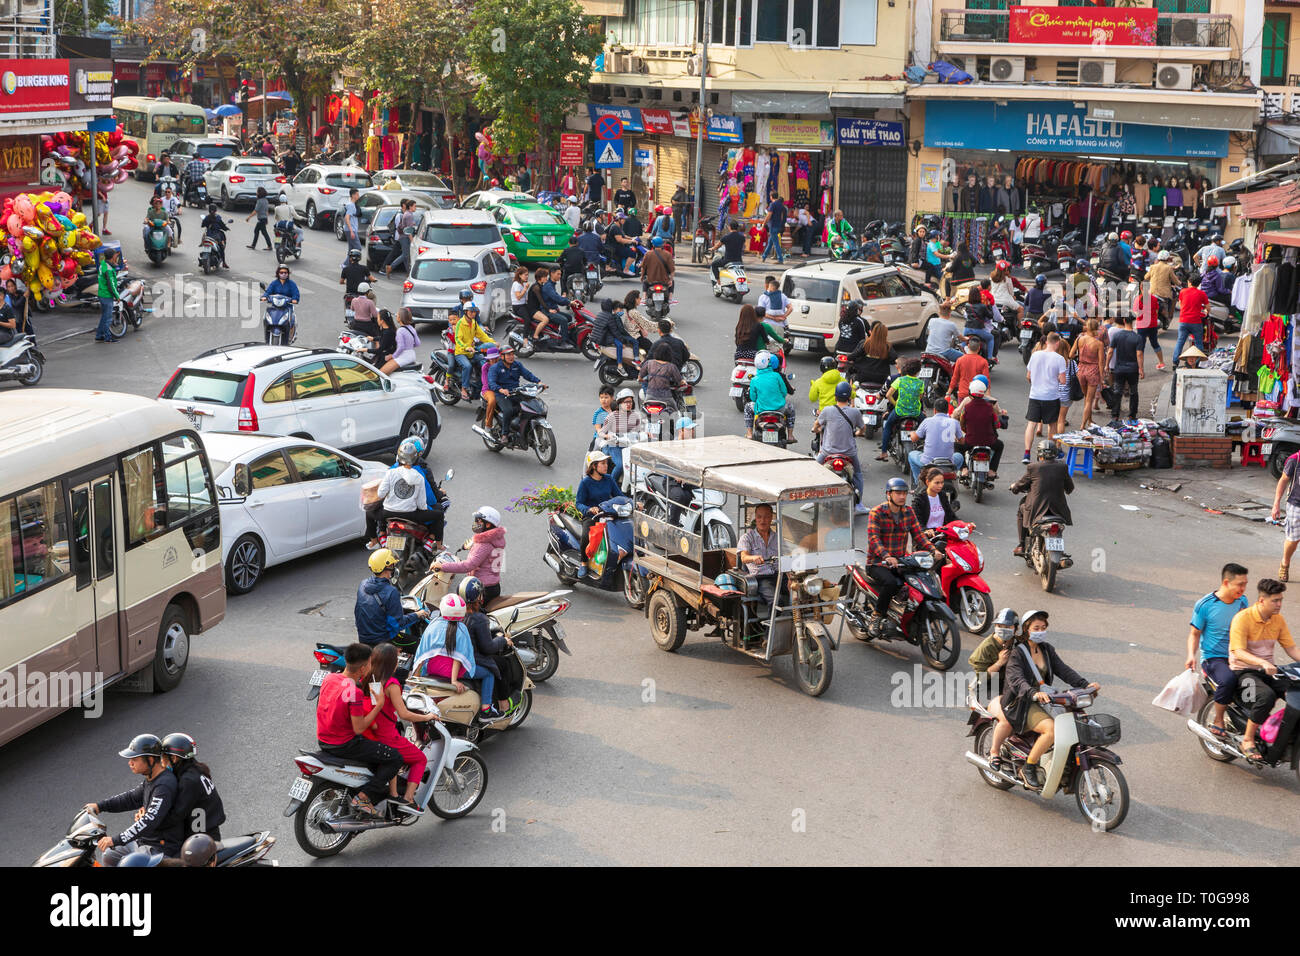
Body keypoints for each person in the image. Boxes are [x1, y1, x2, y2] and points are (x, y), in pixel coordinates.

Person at [1001, 609, 1098, 788]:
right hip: (1022, 702)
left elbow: (1063, 669)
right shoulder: (1017, 653)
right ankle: (1029, 767)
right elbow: (1016, 680)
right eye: (1036, 628)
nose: (1040, 631)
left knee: (1075, 720)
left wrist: (1085, 685)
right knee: (1051, 730)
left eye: (1043, 628)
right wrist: (1032, 692)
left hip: (1046, 699)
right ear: (1026, 629)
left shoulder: (1046, 649)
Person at [313, 642, 404, 818]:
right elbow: (359, 727)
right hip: (345, 744)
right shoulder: (353, 692)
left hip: (324, 740)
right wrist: (378, 706)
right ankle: (364, 797)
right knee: (395, 758)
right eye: (370, 663)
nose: (372, 666)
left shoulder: (330, 679)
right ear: (363, 668)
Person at [1230, 579, 1300, 763]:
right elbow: (1238, 652)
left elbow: (1291, 648)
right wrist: (1261, 662)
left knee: (1296, 693)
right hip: (1244, 672)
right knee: (1266, 697)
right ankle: (1248, 739)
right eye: (1275, 601)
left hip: (1269, 671)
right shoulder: (1242, 618)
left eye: (1281, 600)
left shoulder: (1278, 619)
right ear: (1261, 600)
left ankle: (1287, 734)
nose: (1279, 605)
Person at [362, 642, 439, 810]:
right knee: (420, 759)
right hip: (387, 735)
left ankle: (393, 793)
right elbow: (403, 714)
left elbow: (376, 706)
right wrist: (427, 716)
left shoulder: (369, 678)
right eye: (396, 659)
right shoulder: (392, 684)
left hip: (371, 732)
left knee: (393, 759)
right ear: (392, 663)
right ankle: (408, 798)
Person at [86, 734, 184, 865]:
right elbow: (130, 798)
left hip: (159, 847)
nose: (130, 762)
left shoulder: (164, 785)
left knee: (127, 864)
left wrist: (116, 840)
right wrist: (99, 806)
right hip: (144, 841)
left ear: (150, 759)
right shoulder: (151, 780)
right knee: (109, 855)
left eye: (135, 759)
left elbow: (148, 821)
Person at [863, 476, 940, 633]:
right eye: (898, 493)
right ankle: (876, 616)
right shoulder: (876, 513)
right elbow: (873, 539)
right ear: (888, 494)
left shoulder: (908, 512)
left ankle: (906, 614)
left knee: (920, 578)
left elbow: (919, 535)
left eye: (904, 493)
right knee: (891, 583)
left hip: (900, 561)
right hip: (878, 562)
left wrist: (933, 550)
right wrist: (886, 556)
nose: (902, 496)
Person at [1186, 563, 1251, 740]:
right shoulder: (1205, 604)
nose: (1243, 588)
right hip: (1214, 658)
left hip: (1238, 654)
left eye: (1245, 584)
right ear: (1226, 582)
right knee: (1228, 679)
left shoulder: (1242, 601)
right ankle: (1218, 720)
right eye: (1240, 584)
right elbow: (1194, 633)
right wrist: (1191, 655)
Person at [362, 442, 443, 551]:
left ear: (398, 458)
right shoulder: (419, 477)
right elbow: (421, 504)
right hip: (411, 515)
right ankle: (437, 545)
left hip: (388, 514)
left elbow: (380, 494)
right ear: (415, 459)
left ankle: (374, 542)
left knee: (369, 512)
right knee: (439, 515)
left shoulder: (390, 473)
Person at [457, 577, 518, 719]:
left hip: (455, 658)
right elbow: (488, 648)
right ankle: (502, 705)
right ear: (478, 597)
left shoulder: (456, 614)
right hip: (470, 660)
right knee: (502, 664)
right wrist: (502, 640)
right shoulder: (478, 618)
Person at [969, 608, 1020, 766]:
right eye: (1000, 626)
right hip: (989, 686)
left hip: (1011, 684)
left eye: (1008, 627)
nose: (1003, 630)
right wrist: (999, 663)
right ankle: (995, 751)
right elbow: (982, 677)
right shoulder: (987, 647)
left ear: (1015, 628)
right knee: (1007, 717)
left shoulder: (1017, 642)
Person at [354, 546, 433, 644]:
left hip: (363, 638)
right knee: (419, 644)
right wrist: (417, 614)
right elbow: (398, 624)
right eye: (392, 564)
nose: (394, 567)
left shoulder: (363, 584)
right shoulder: (391, 592)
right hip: (383, 640)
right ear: (388, 567)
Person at [431, 507, 508, 605]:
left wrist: (443, 566)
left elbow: (468, 566)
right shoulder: (496, 539)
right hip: (493, 585)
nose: (475, 523)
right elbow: (486, 555)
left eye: (478, 520)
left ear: (488, 524)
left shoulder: (484, 544)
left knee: (467, 616)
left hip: (481, 589)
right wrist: (473, 545)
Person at [1010, 439, 1073, 557]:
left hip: (1036, 508)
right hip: (1058, 509)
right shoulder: (1063, 467)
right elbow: (1070, 488)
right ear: (1055, 453)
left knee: (1021, 510)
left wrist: (1014, 487)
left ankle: (1022, 545)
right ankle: (1060, 552)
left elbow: (1020, 485)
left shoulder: (1033, 467)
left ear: (1039, 454)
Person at [159, 732, 226, 842]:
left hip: (200, 839)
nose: (161, 762)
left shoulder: (188, 781)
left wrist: (152, 823)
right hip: (206, 831)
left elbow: (176, 815)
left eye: (162, 758)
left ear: (174, 758)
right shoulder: (196, 770)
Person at [813, 381, 867, 510]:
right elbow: (863, 428)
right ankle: (859, 504)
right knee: (858, 474)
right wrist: (859, 433)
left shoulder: (827, 410)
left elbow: (816, 425)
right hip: (849, 453)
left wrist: (816, 430)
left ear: (835, 396)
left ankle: (812, 500)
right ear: (849, 397)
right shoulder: (855, 412)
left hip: (828, 452)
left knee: (813, 470)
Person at [1022, 332, 1068, 463]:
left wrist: (1036, 383)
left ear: (1046, 342)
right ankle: (1049, 453)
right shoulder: (1059, 359)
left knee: (1031, 424)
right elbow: (1063, 380)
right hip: (1051, 396)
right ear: (1057, 343)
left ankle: (1026, 454)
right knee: (1052, 424)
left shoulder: (1035, 355)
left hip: (1035, 395)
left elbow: (1028, 376)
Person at [952, 379, 1006, 479]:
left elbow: (962, 423)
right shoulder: (990, 407)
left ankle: (964, 469)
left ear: (970, 392)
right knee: (1000, 445)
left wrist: (967, 431)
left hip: (970, 441)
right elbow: (995, 423)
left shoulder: (967, 407)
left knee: (956, 446)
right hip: (989, 441)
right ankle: (992, 470)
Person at [488, 343, 543, 439]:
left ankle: (522, 428)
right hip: (502, 395)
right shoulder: (495, 368)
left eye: (512, 354)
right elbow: (491, 383)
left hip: (516, 392)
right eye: (508, 355)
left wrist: (539, 382)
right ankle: (504, 434)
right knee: (508, 411)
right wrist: (501, 390)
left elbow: (527, 374)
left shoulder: (517, 365)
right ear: (502, 356)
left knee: (530, 406)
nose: (511, 357)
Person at [876, 357, 925, 461]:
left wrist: (895, 404)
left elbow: (888, 395)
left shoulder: (900, 380)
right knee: (926, 426)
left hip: (900, 411)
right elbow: (920, 398)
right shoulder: (920, 383)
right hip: (916, 412)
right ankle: (924, 446)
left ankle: (884, 452)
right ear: (918, 371)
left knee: (888, 425)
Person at [908, 399, 965, 485]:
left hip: (928, 463)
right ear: (947, 410)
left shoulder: (927, 421)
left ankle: (918, 483)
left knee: (911, 455)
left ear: (934, 410)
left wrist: (912, 433)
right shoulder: (954, 422)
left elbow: (914, 439)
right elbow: (962, 441)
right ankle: (952, 476)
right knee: (959, 457)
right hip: (948, 463)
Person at [738, 502, 781, 614]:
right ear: (755, 518)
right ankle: (770, 632)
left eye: (766, 517)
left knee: (803, 593)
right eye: (759, 517)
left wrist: (790, 577)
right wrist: (753, 558)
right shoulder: (747, 538)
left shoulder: (777, 538)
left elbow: (788, 557)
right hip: (761, 578)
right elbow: (744, 557)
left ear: (771, 518)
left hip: (779, 575)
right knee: (776, 602)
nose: (763, 521)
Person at [597, 388, 646, 484]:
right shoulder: (612, 416)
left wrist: (645, 433)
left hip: (630, 446)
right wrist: (607, 436)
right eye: (625, 402)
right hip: (615, 446)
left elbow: (640, 430)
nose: (628, 404)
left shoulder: (635, 416)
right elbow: (601, 432)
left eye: (630, 402)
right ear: (619, 403)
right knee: (620, 465)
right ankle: (610, 485)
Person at [745, 349, 796, 442]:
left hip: (761, 410)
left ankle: (749, 434)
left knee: (748, 407)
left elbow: (753, 398)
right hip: (779, 409)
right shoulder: (777, 376)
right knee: (791, 409)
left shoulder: (754, 380)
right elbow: (784, 392)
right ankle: (790, 436)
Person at [1105, 312, 1144, 420]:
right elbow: (1139, 354)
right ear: (1132, 322)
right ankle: (1132, 414)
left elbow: (1110, 351)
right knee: (1133, 392)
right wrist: (1141, 368)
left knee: (1117, 391)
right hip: (1133, 369)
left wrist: (1107, 365)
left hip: (1119, 369)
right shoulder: (1137, 337)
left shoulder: (1117, 335)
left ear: (1123, 321)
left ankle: (1115, 414)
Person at [1068, 319, 1105, 430]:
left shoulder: (1079, 339)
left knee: (1086, 398)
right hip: (1092, 371)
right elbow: (1101, 362)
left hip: (1080, 369)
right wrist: (1102, 378)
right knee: (1089, 400)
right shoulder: (1099, 344)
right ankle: (1082, 425)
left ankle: (1089, 420)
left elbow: (1070, 354)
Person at [451, 302, 492, 399]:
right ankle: (464, 389)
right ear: (465, 312)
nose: (473, 313)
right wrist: (466, 347)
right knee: (468, 366)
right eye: (471, 311)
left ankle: (482, 385)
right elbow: (458, 339)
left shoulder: (473, 323)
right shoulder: (460, 323)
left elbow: (482, 335)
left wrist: (493, 343)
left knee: (484, 362)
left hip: (472, 351)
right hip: (461, 352)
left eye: (474, 312)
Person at [591, 296, 638, 376]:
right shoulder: (610, 317)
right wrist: (623, 341)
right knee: (619, 345)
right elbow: (615, 332)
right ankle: (620, 366)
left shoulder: (600, 314)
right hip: (604, 338)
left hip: (597, 337)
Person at [1174, 272, 1209, 369]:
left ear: (1189, 282)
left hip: (1183, 321)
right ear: (1198, 284)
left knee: (1180, 341)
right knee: (1198, 343)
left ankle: (1175, 362)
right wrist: (1205, 311)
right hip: (1196, 322)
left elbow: (1181, 305)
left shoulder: (1183, 292)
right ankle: (1198, 363)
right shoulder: (1202, 293)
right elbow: (1208, 308)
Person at [640, 340, 685, 413]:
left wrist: (641, 380)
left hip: (650, 397)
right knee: (676, 412)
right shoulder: (671, 366)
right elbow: (679, 381)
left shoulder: (649, 363)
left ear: (656, 353)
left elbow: (640, 377)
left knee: (644, 412)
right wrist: (683, 382)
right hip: (666, 398)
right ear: (670, 355)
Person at [1129, 284, 1166, 372]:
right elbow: (1156, 312)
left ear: (1140, 288)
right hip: (1152, 324)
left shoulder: (1138, 299)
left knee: (1140, 347)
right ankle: (1161, 362)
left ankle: (1140, 368)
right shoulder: (1153, 299)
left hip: (1142, 326)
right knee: (1155, 343)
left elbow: (1136, 314)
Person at [947, 335, 990, 405]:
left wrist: (948, 393)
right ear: (979, 348)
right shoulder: (983, 362)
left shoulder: (960, 360)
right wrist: (988, 396)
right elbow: (986, 380)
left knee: (962, 415)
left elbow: (955, 378)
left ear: (968, 346)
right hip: (977, 395)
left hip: (962, 394)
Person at [912, 465, 958, 530]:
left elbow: (951, 516)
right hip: (926, 536)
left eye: (942, 482)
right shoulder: (919, 500)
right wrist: (926, 530)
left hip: (943, 533)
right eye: (937, 483)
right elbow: (916, 521)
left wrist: (964, 525)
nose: (940, 486)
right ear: (928, 482)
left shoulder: (942, 496)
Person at [855, 321, 899, 389]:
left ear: (871, 331)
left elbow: (853, 356)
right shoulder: (887, 346)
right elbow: (894, 359)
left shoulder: (864, 343)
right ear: (885, 334)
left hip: (863, 376)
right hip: (882, 378)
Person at [961, 286, 997, 361]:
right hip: (978, 330)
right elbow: (990, 315)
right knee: (991, 338)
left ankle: (961, 355)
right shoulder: (982, 306)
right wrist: (989, 305)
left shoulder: (967, 305)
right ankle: (990, 357)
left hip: (967, 329)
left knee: (964, 341)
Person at [95, 246, 120, 344]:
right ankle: (107, 337)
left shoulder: (103, 264)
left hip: (102, 293)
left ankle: (99, 335)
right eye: (115, 255)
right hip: (106, 295)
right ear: (112, 257)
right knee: (108, 317)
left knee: (104, 316)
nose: (116, 257)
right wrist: (117, 296)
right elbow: (111, 285)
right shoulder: (109, 269)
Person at [1147, 248, 1177, 327]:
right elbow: (1175, 281)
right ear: (1167, 258)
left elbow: (1146, 277)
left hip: (1152, 292)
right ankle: (1168, 317)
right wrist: (1179, 283)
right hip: (1164, 293)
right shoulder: (1169, 268)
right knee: (1173, 298)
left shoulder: (1152, 267)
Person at [623, 289, 658, 356]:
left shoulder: (627, 310)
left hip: (630, 335)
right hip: (636, 337)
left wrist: (641, 329)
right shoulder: (634, 312)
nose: (641, 299)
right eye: (639, 298)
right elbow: (647, 324)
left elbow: (636, 323)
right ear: (635, 299)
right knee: (654, 350)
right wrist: (661, 326)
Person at [710, 219, 746, 284]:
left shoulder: (726, 237)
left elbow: (717, 246)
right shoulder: (742, 237)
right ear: (737, 227)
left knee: (714, 264)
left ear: (729, 227)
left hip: (728, 260)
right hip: (739, 260)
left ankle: (718, 281)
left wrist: (712, 249)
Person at [199, 203, 229, 268]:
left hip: (208, 235)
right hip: (216, 235)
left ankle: (201, 245)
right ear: (216, 210)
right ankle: (224, 262)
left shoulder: (207, 218)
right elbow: (223, 226)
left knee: (203, 240)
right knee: (221, 248)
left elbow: (202, 225)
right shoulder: (218, 218)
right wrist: (226, 228)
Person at [760, 195, 787, 264]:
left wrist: (763, 224)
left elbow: (769, 215)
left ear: (771, 196)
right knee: (770, 242)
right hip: (778, 226)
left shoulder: (772, 204)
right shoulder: (781, 205)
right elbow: (781, 217)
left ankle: (780, 259)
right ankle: (764, 256)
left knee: (776, 243)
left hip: (772, 226)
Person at [479, 345, 501, 428]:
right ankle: (488, 422)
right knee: (492, 401)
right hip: (488, 390)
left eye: (495, 358)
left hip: (500, 389)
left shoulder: (501, 366)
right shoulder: (485, 367)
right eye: (492, 358)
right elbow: (485, 383)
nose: (494, 360)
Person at [340, 187, 363, 261]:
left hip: (350, 229)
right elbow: (347, 218)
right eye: (357, 194)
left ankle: (347, 265)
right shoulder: (351, 205)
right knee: (358, 248)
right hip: (351, 229)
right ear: (353, 195)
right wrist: (351, 231)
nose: (358, 196)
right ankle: (346, 264)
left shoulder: (351, 204)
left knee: (351, 249)